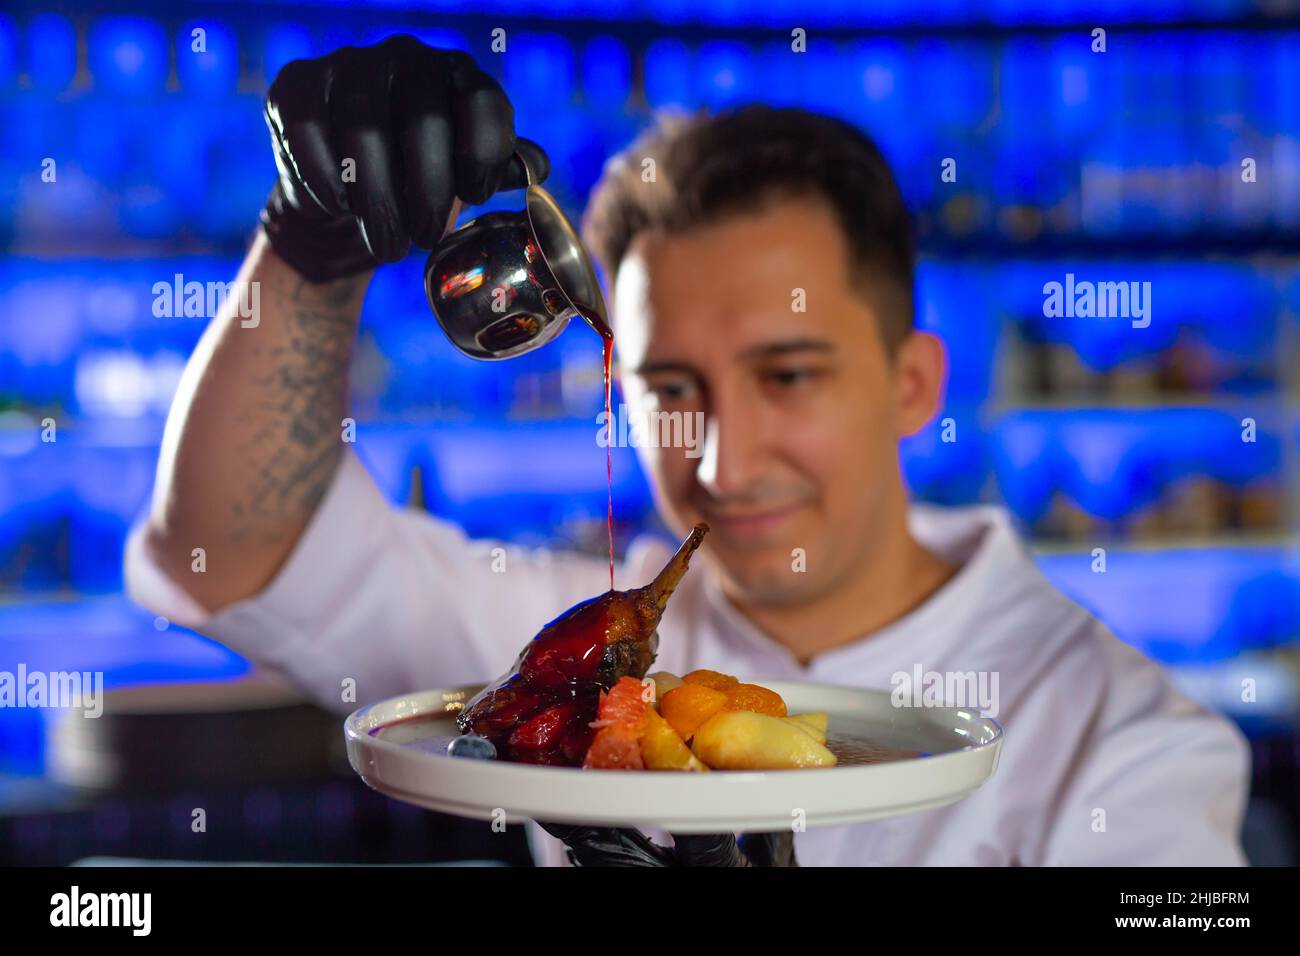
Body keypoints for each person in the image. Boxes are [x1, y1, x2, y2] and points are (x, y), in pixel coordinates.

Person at [124, 36, 1251, 867]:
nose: (718, 455)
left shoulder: (1128, 736)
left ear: (914, 384)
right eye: (670, 388)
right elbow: (229, 543)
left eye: (787, 373)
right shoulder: (560, 651)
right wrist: (308, 250)